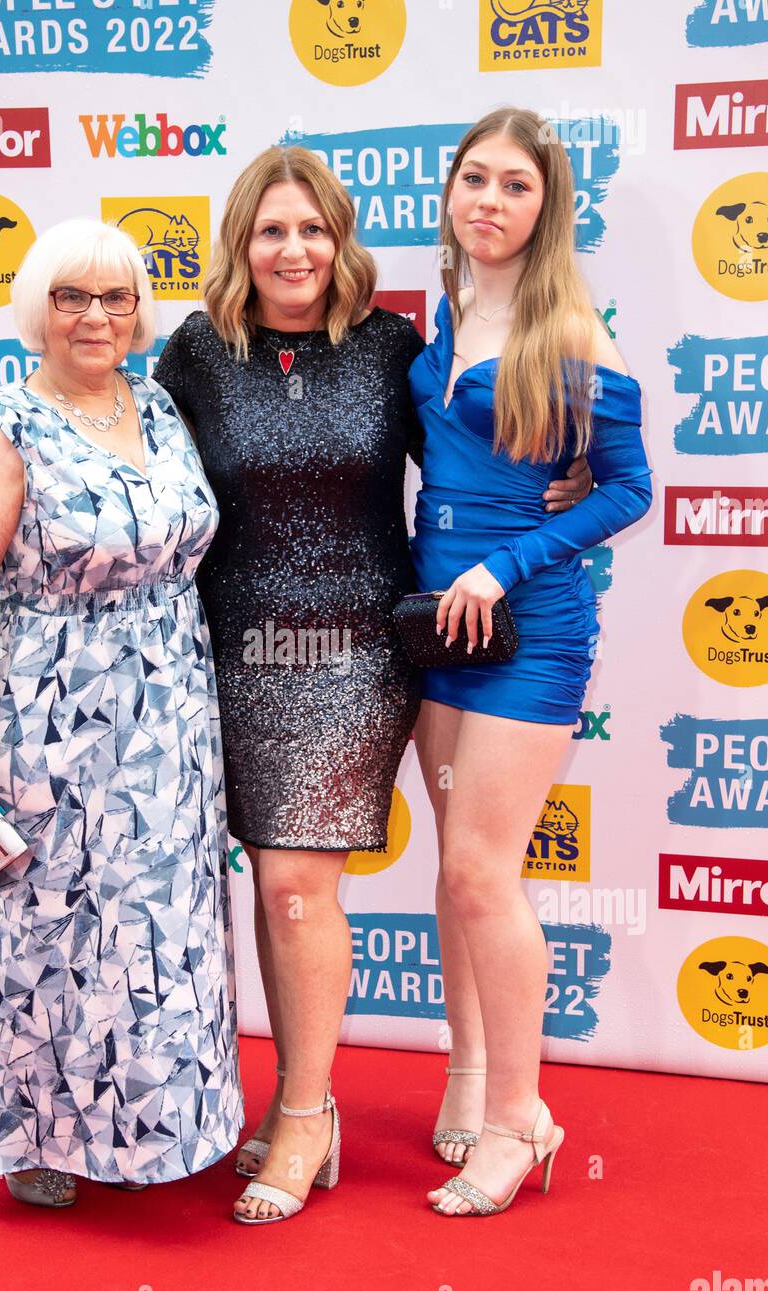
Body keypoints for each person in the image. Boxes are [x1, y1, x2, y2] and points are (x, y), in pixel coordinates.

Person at [153, 145, 591, 1225]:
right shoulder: (196, 353)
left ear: (341, 242)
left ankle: (323, 1109)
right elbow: (138, 463)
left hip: (361, 647)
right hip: (239, 647)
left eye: (312, 230)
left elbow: (481, 431)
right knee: (276, 881)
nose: (292, 249)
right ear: (240, 245)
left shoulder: (395, 345)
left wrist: (569, 464)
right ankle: (307, 1095)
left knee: (352, 878)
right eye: (271, 231)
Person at [0, 217, 243, 1208]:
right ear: (38, 309)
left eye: (115, 297)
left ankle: (153, 1127)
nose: (96, 316)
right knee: (47, 932)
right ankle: (31, 1133)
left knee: (156, 929)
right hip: (51, 724)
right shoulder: (1, 426)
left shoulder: (155, 407)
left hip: (171, 720)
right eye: (72, 295)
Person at [409, 107, 653, 1217]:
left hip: (529, 631)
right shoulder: (446, 308)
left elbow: (627, 486)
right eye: (475, 180)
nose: (491, 202)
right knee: (458, 875)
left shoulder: (571, 328)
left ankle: (519, 1120)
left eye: (515, 185)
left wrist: (508, 561)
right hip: (434, 630)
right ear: (450, 192)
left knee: (476, 872)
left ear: (545, 204)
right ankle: (467, 1079)